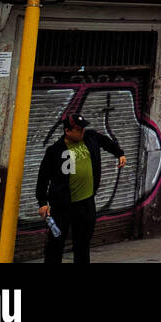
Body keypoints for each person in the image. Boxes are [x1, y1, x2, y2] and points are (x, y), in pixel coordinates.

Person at [36, 113, 126, 263]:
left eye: (83, 128)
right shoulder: (55, 150)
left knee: (83, 245)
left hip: (86, 203)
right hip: (62, 206)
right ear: (68, 131)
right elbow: (43, 177)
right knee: (55, 245)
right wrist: (42, 202)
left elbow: (105, 142)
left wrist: (119, 154)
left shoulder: (90, 138)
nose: (82, 131)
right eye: (79, 129)